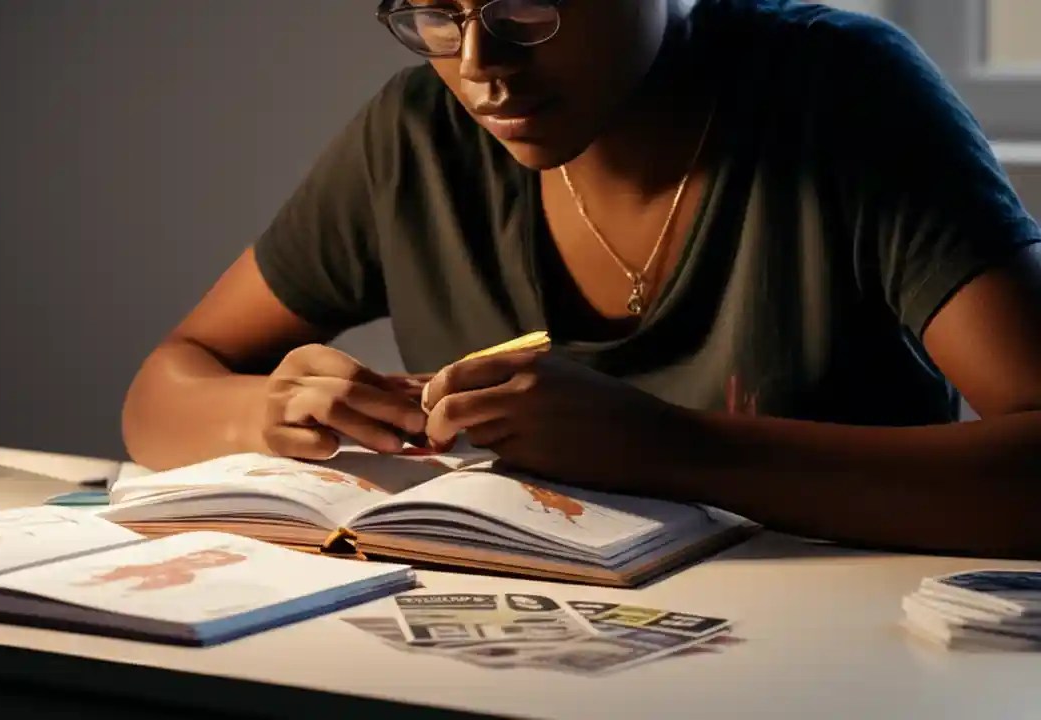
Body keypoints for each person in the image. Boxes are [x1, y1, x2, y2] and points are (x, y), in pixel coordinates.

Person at [122, 0, 1041, 559]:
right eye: (436, 13)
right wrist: (268, 414)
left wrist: (673, 450)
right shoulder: (418, 138)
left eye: (530, 7)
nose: (480, 67)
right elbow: (168, 382)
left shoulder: (843, 94)